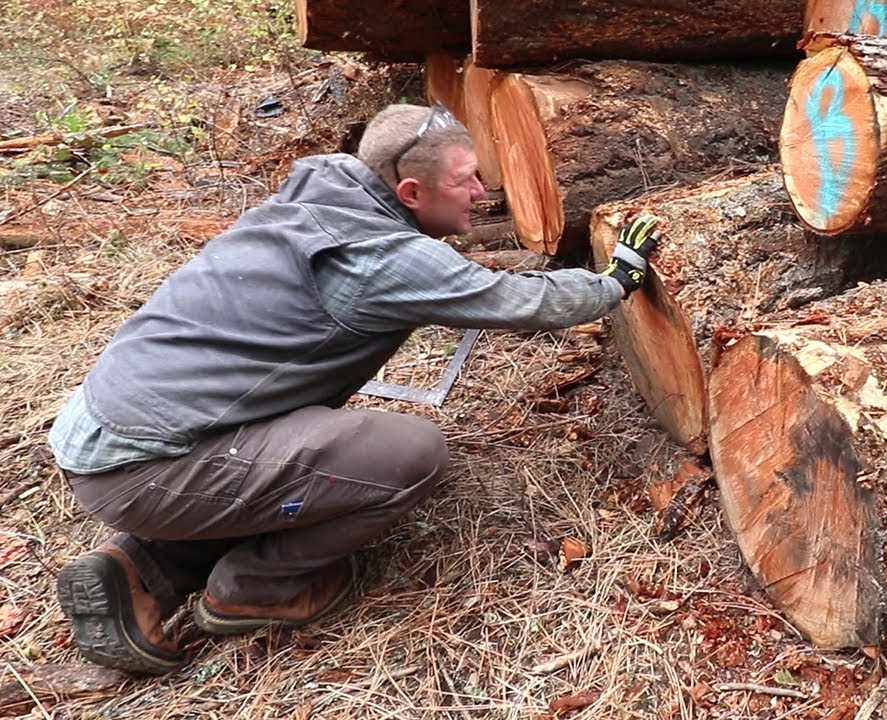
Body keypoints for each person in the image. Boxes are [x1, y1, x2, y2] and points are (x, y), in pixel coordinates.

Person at [47, 102, 661, 674]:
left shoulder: (324, 195)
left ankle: (140, 568)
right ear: (410, 193)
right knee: (408, 453)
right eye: (467, 180)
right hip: (144, 466)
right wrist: (615, 281)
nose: (481, 192)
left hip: (118, 438)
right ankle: (252, 591)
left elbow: (465, 277)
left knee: (296, 455)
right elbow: (519, 302)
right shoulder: (374, 256)